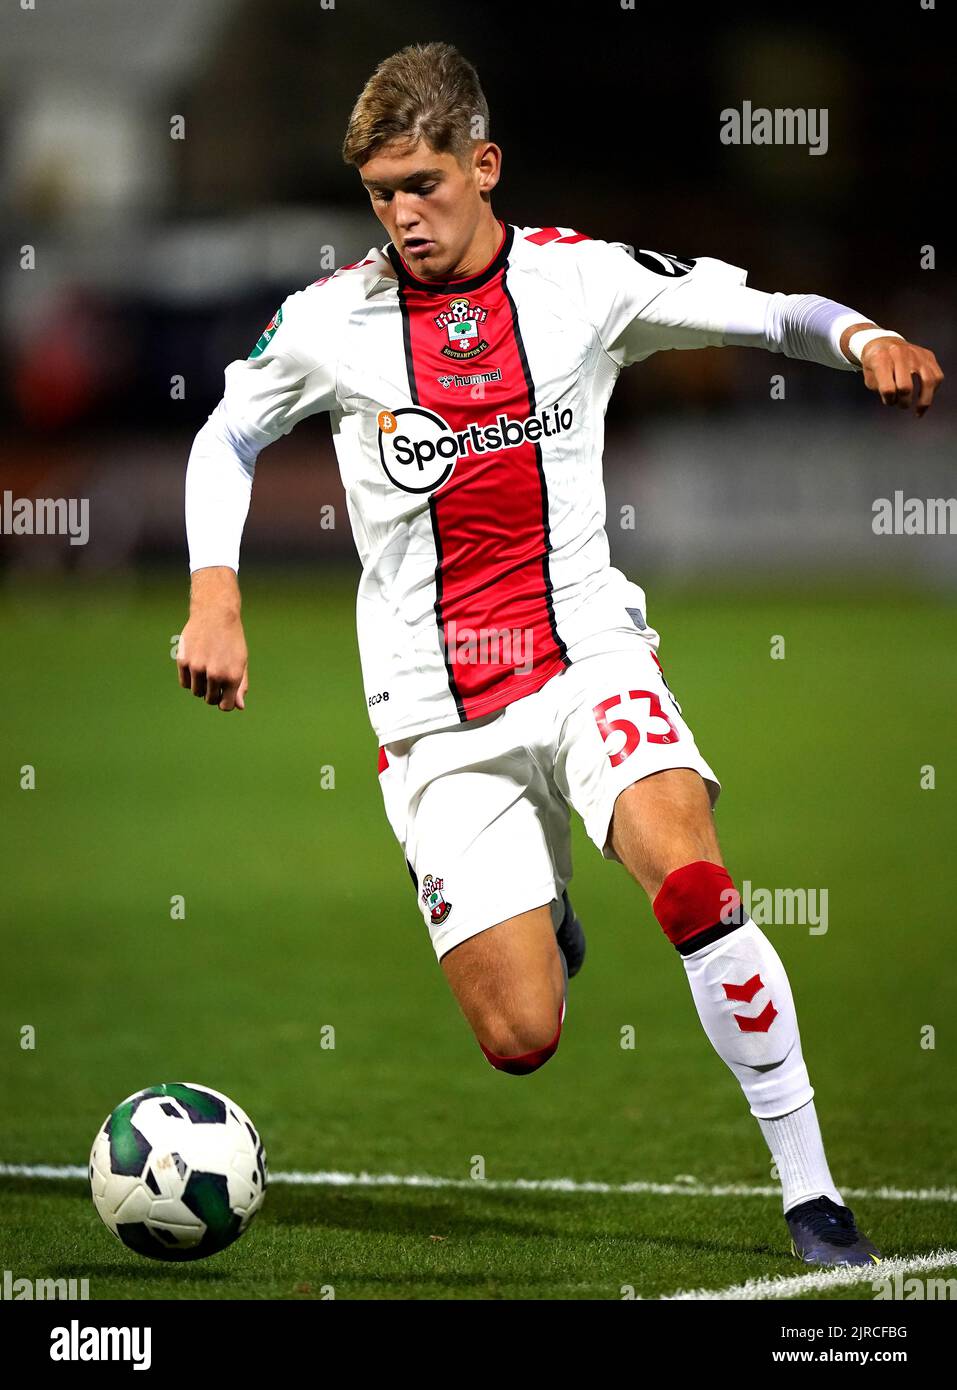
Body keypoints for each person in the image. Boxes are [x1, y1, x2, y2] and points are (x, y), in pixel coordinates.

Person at [178, 41, 943, 1266]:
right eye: (381, 194)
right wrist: (216, 593)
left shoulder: (582, 283)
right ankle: (546, 902)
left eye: (424, 184)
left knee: (694, 884)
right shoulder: (331, 322)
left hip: (587, 655)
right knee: (522, 1034)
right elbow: (226, 436)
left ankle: (813, 1196)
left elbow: (770, 312)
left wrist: (861, 340)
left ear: (485, 165)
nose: (403, 217)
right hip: (434, 718)